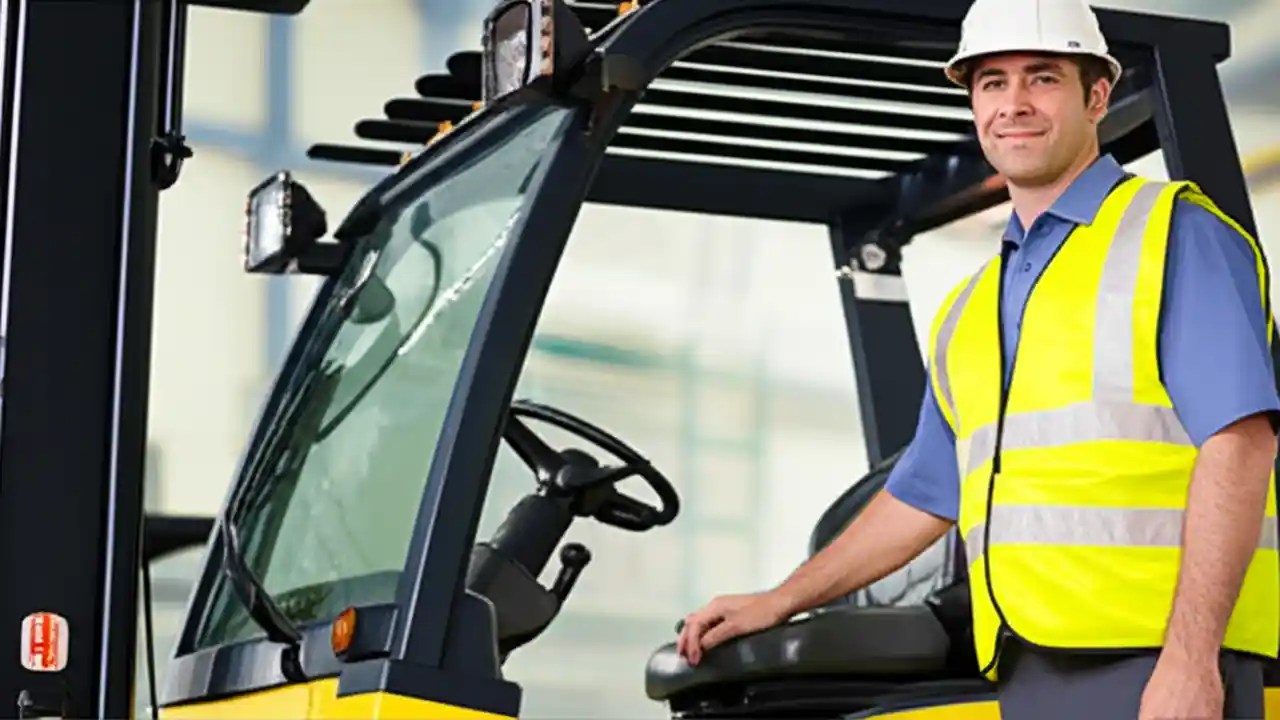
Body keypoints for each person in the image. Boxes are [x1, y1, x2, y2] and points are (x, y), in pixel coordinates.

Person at [674, 0, 1280, 717]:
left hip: (1154, 661)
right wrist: (781, 599)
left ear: (1096, 96)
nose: (1013, 104)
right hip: (1029, 663)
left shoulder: (1173, 235)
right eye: (992, 83)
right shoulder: (973, 304)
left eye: (1042, 78)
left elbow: (1240, 444)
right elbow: (924, 492)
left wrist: (1191, 660)